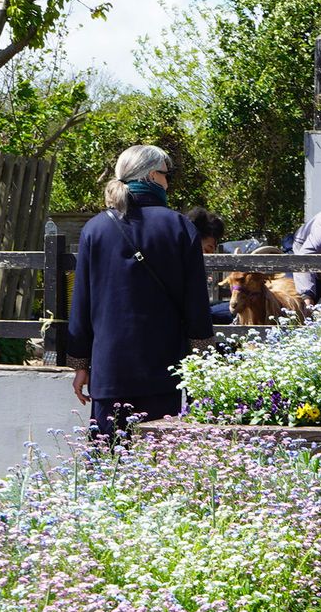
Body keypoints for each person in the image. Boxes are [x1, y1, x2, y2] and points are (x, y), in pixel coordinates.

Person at [68, 145, 215, 436]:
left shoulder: (95, 229)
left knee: (106, 461)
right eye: (165, 174)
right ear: (151, 175)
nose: (167, 182)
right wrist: (201, 359)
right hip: (163, 368)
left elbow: (81, 302)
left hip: (109, 368)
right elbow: (196, 300)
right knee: (157, 465)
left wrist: (80, 364)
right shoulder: (179, 227)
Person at [189, 208, 233, 325]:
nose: (209, 255)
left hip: (194, 311)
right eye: (207, 249)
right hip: (191, 317)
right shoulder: (187, 263)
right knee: (234, 312)